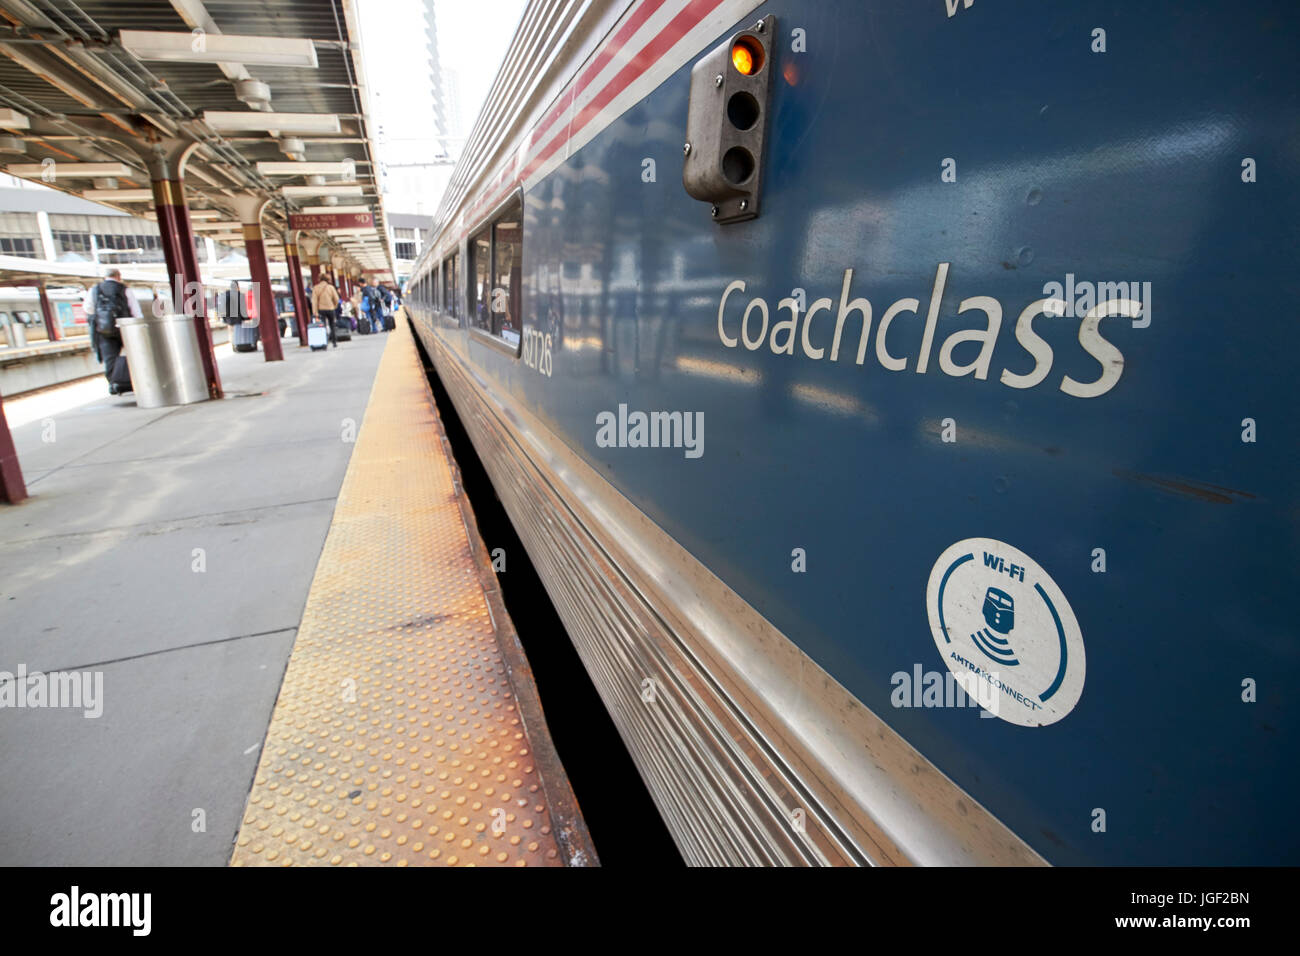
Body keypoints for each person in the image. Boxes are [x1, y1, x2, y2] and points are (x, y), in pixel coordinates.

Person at [85, 268, 141, 393]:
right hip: (125, 328)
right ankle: (136, 380)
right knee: (134, 355)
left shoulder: (94, 290)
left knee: (110, 358)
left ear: (105, 277)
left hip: (104, 330)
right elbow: (136, 311)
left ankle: (113, 384)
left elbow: (88, 309)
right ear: (118, 276)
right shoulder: (124, 289)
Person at [310, 274, 340, 348]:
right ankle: (334, 342)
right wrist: (334, 306)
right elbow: (336, 299)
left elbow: (314, 301)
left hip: (321, 310)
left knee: (322, 326)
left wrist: (315, 312)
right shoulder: (331, 287)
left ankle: (324, 342)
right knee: (332, 325)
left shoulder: (316, 288)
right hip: (330, 309)